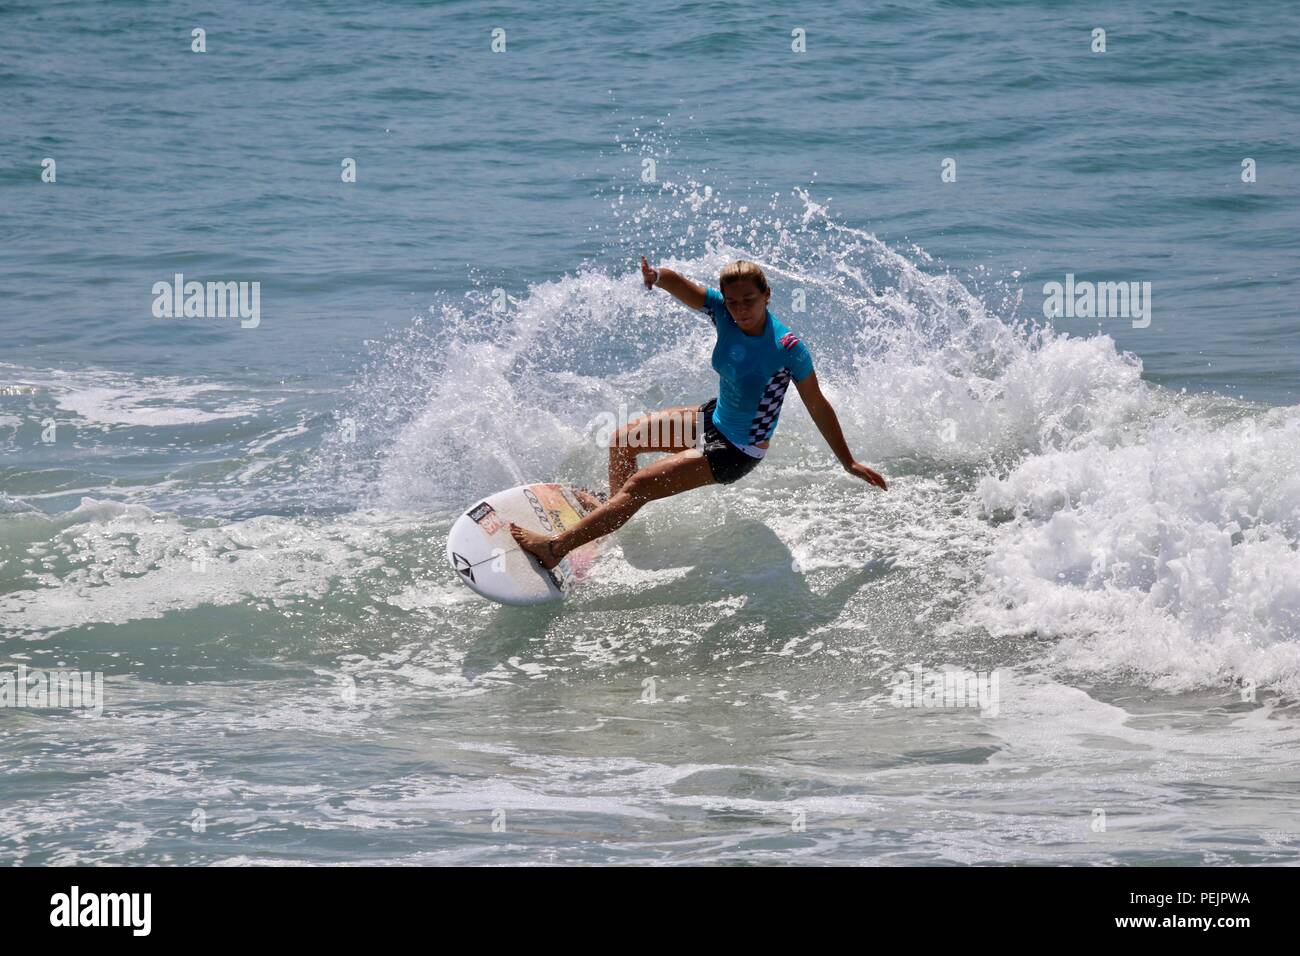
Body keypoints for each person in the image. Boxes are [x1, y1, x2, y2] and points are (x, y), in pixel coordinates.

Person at [509, 258, 886, 570]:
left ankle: (554, 549)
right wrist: (656, 278)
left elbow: (818, 404)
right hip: (712, 419)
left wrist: (847, 462)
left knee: (638, 486)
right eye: (733, 301)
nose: (740, 309)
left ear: (767, 295)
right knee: (623, 441)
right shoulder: (723, 313)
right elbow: (682, 286)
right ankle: (609, 519)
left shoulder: (787, 348)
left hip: (737, 451)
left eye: (749, 300)